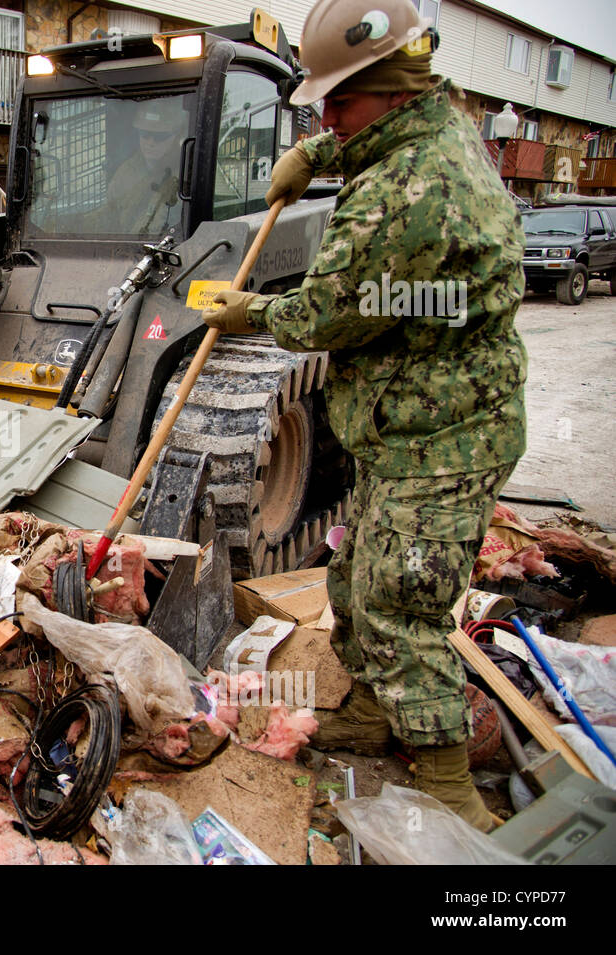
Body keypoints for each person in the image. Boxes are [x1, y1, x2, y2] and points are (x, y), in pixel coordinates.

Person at [201, 0, 526, 831]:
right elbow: (364, 130)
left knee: (400, 596)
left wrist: (252, 312)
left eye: (337, 105)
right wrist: (315, 150)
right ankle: (379, 713)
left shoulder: (411, 194)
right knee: (351, 575)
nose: (327, 117)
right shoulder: (414, 129)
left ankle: (450, 781)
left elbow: (327, 315)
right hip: (406, 425)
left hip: (445, 435)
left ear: (389, 90)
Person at [107, 101, 186, 235]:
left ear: (175, 136)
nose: (150, 142)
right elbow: (110, 212)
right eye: (144, 134)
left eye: (159, 137)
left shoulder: (185, 173)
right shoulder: (126, 171)